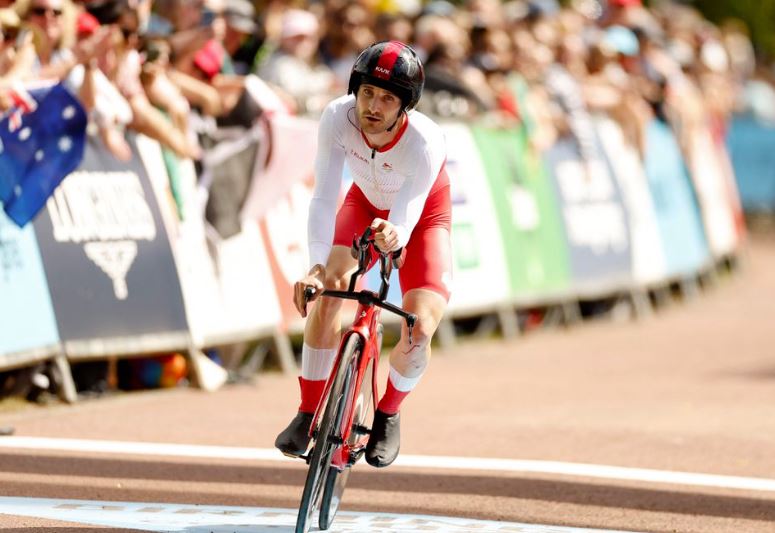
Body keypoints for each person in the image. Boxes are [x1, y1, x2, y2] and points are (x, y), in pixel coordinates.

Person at [275, 40, 452, 468]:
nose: (373, 105)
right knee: (330, 288)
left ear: (404, 107)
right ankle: (307, 409)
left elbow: (406, 217)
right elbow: (322, 197)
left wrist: (396, 236)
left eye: (387, 98)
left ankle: (388, 414)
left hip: (421, 216)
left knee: (420, 324)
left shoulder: (425, 140)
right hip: (363, 202)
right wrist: (316, 266)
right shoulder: (337, 116)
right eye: (368, 92)